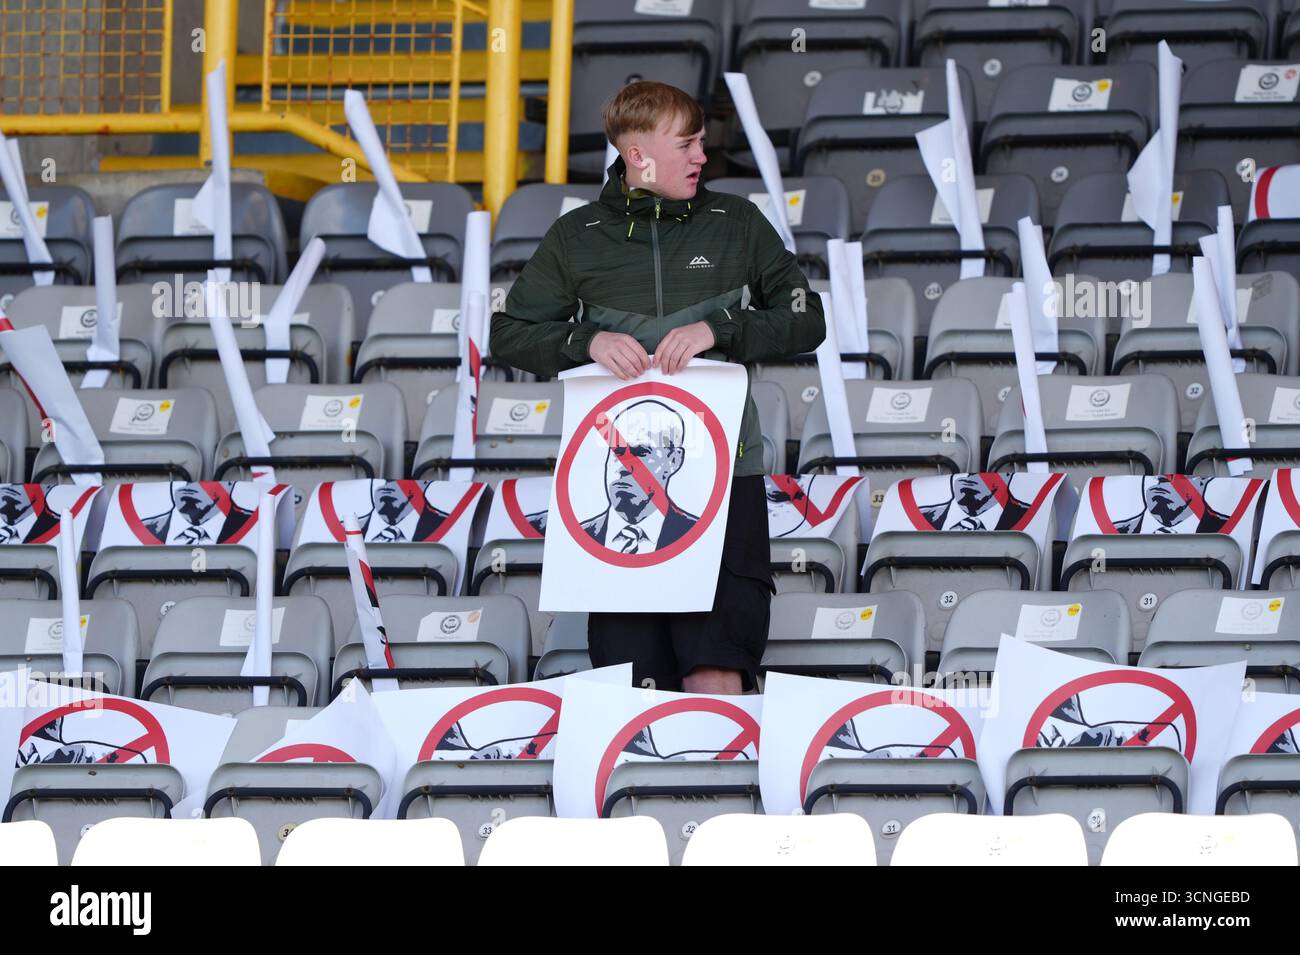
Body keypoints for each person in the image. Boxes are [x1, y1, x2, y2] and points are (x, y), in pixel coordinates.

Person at [490, 80, 825, 694]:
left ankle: (721, 787)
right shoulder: (577, 236)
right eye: (689, 144)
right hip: (614, 477)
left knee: (717, 667)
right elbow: (507, 334)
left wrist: (719, 327)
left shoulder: (738, 222)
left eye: (702, 143)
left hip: (728, 477)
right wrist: (583, 341)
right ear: (638, 155)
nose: (703, 156)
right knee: (634, 682)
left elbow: (808, 319)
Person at [580, 399, 697, 553]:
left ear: (674, 460)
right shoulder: (576, 536)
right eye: (618, 452)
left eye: (640, 453)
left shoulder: (699, 535)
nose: (623, 467)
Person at [141, 482, 254, 545]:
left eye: (202, 477)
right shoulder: (144, 529)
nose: (189, 483)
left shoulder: (257, 527)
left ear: (229, 483)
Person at [1113, 475, 1228, 534]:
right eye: (1161, 480)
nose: (1163, 476)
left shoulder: (1229, 533)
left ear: (1203, 481)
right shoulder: (1113, 534)